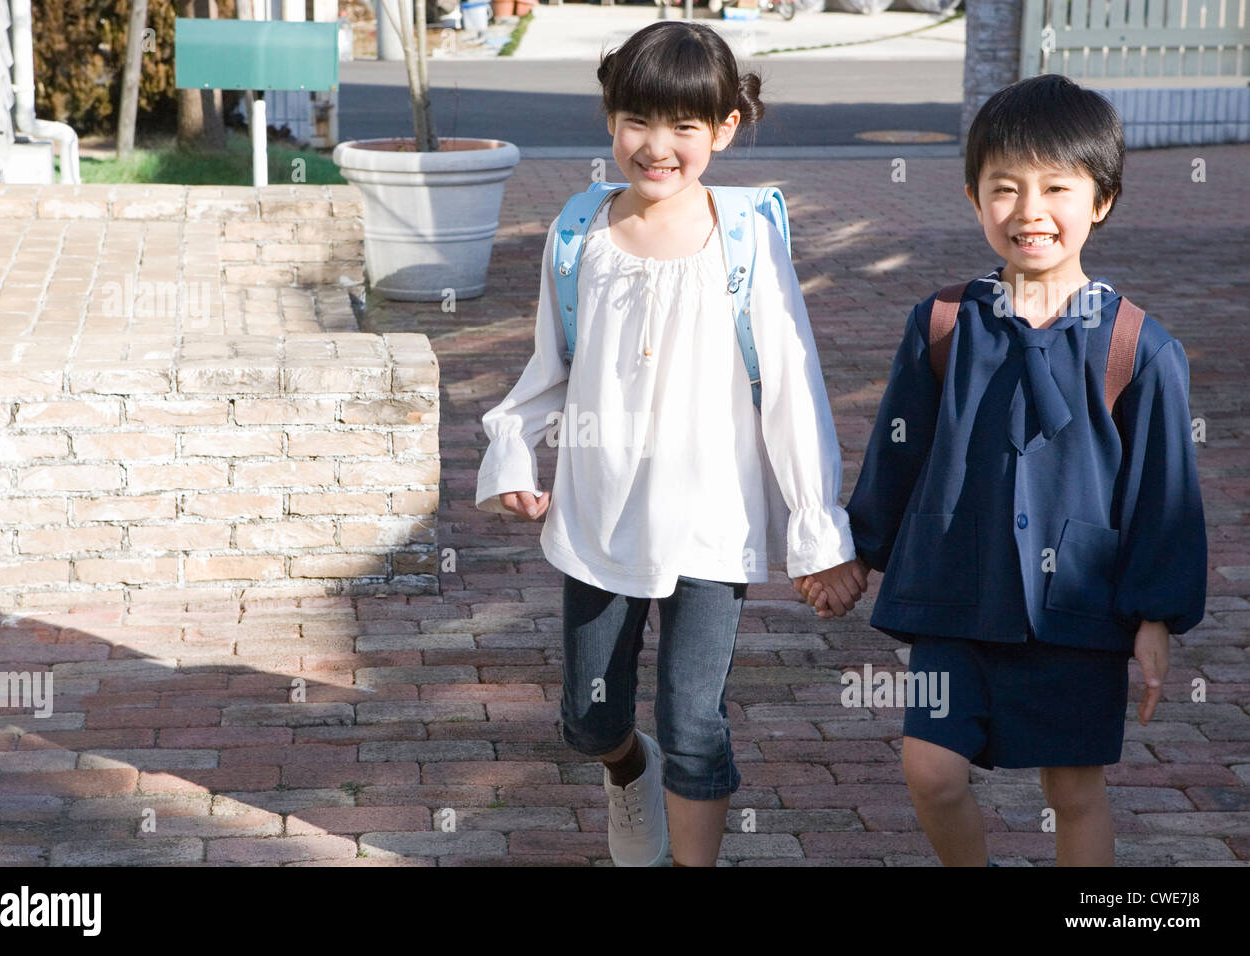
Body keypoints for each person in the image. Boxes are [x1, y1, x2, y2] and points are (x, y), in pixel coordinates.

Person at [474, 20, 866, 867]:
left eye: (685, 125)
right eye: (637, 121)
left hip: (712, 522)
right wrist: (514, 447)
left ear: (725, 127)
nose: (657, 147)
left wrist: (818, 530)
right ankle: (627, 770)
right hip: (600, 514)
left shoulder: (748, 238)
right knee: (591, 721)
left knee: (693, 723)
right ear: (610, 120)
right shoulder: (578, 234)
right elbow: (552, 365)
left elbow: (793, 387)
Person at [824, 74, 1207, 866]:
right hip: (954, 594)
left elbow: (1163, 495)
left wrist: (1156, 618)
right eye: (1005, 187)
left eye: (1057, 188)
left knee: (1073, 792)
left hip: (1078, 610)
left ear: (1101, 200)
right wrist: (855, 551)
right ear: (974, 198)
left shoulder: (1139, 346)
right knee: (930, 771)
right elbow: (897, 449)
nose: (1030, 210)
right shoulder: (942, 324)